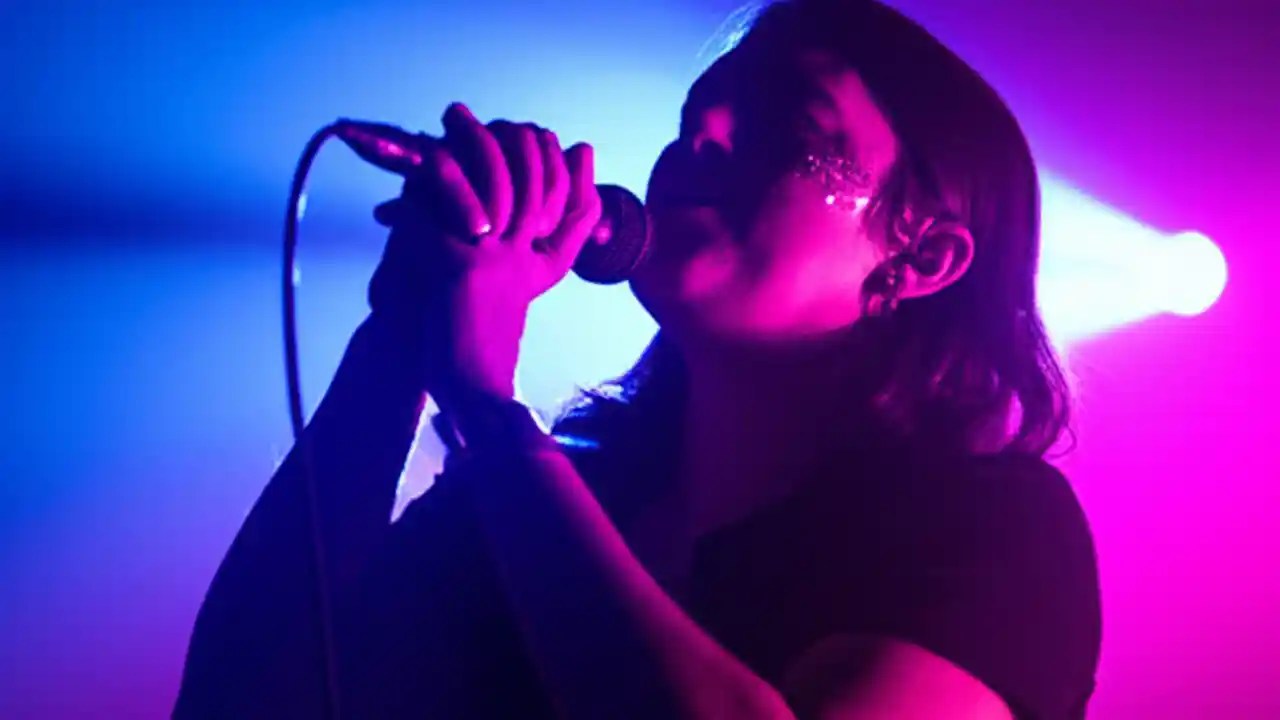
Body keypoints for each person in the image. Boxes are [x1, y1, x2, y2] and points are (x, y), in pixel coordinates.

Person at [175, 0, 1101, 717]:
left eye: (787, 125)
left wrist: (490, 410)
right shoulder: (540, 502)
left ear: (921, 255)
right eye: (696, 115)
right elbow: (245, 701)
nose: (701, 138)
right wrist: (398, 347)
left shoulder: (996, 534)